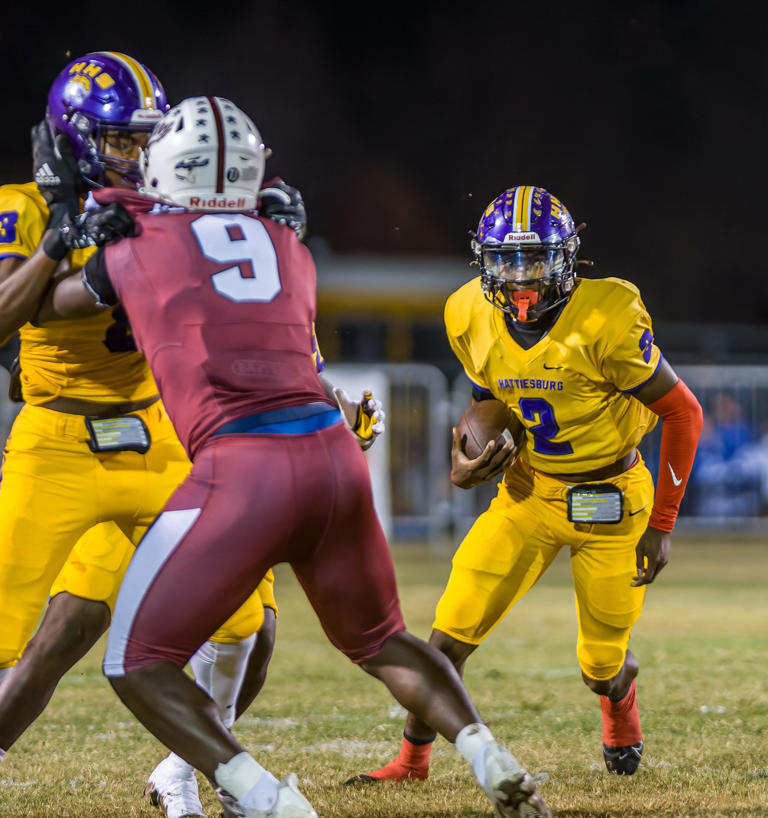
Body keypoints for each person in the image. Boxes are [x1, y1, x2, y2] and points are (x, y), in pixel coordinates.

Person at [41, 97, 552, 818]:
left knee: (136, 660)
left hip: (244, 465)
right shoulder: (290, 248)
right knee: (382, 641)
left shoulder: (138, 243)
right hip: (334, 459)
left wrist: (79, 227)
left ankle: (263, 799)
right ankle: (485, 752)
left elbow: (56, 305)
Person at [0, 52, 293, 818]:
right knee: (16, 636)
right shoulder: (20, 206)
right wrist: (58, 241)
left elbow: (242, 310)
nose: (138, 156)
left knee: (246, 621)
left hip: (161, 437)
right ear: (78, 137)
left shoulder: (176, 206)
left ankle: (190, 769)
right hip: (58, 440)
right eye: (121, 141)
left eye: (144, 139)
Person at [348, 185, 704, 785]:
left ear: (567, 260)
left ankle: (618, 700)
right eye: (505, 261)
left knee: (600, 665)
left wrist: (662, 525)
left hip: (610, 499)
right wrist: (462, 467)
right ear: (481, 263)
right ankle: (412, 762)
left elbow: (684, 413)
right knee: (446, 637)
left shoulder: (607, 317)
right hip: (528, 492)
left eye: (534, 260)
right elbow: (493, 399)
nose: (520, 278)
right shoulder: (467, 313)